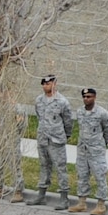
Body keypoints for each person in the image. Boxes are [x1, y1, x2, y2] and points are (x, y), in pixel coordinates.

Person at [31, 74, 75, 207]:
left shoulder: (62, 101)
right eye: (43, 84)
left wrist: (65, 135)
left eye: (48, 83)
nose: (46, 86)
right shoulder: (39, 100)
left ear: (54, 84)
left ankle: (64, 197)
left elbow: (68, 121)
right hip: (42, 139)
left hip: (56, 140)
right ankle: (41, 194)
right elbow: (39, 116)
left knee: (60, 167)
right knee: (44, 166)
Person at [68, 89, 108, 215]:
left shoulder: (102, 113)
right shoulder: (80, 112)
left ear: (94, 97)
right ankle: (82, 203)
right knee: (82, 175)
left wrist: (102, 144)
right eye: (84, 97)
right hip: (83, 150)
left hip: (96, 150)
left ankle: (101, 204)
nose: (86, 99)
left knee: (100, 176)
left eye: (89, 96)